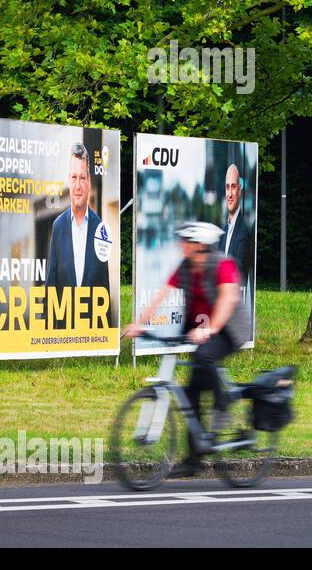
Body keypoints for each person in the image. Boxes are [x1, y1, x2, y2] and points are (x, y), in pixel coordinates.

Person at [125, 221, 252, 477]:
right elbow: (161, 296)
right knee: (191, 392)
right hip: (198, 330)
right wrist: (140, 323)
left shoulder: (222, 265)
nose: (180, 245)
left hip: (227, 330)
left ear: (199, 245)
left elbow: (228, 300)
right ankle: (193, 460)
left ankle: (223, 403)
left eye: (185, 241)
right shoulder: (185, 267)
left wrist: (211, 329)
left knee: (205, 357)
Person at [44, 142, 110, 323]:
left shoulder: (100, 228)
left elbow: (104, 286)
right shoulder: (58, 227)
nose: (78, 185)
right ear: (68, 180)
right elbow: (51, 284)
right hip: (63, 336)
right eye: (74, 177)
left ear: (89, 180)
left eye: (82, 177)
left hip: (91, 335)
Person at [222, 164, 253, 287]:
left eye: (233, 187)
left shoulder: (244, 231)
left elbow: (238, 274)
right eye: (227, 187)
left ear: (239, 190)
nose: (229, 194)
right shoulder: (224, 231)